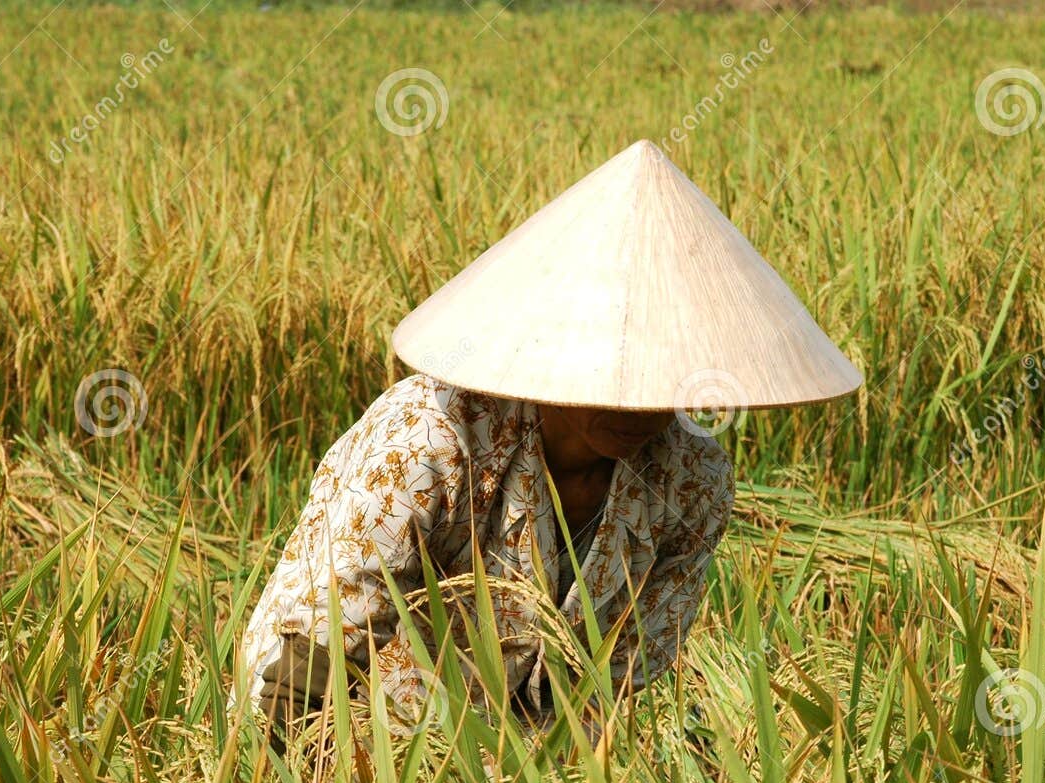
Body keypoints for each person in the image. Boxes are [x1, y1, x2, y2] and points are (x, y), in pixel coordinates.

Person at [237, 140, 862, 739]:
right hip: (347, 710)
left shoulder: (692, 479)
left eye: (661, 384)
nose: (639, 410)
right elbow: (323, 638)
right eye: (613, 384)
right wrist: (293, 770)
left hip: (527, 741)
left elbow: (623, 672)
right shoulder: (432, 438)